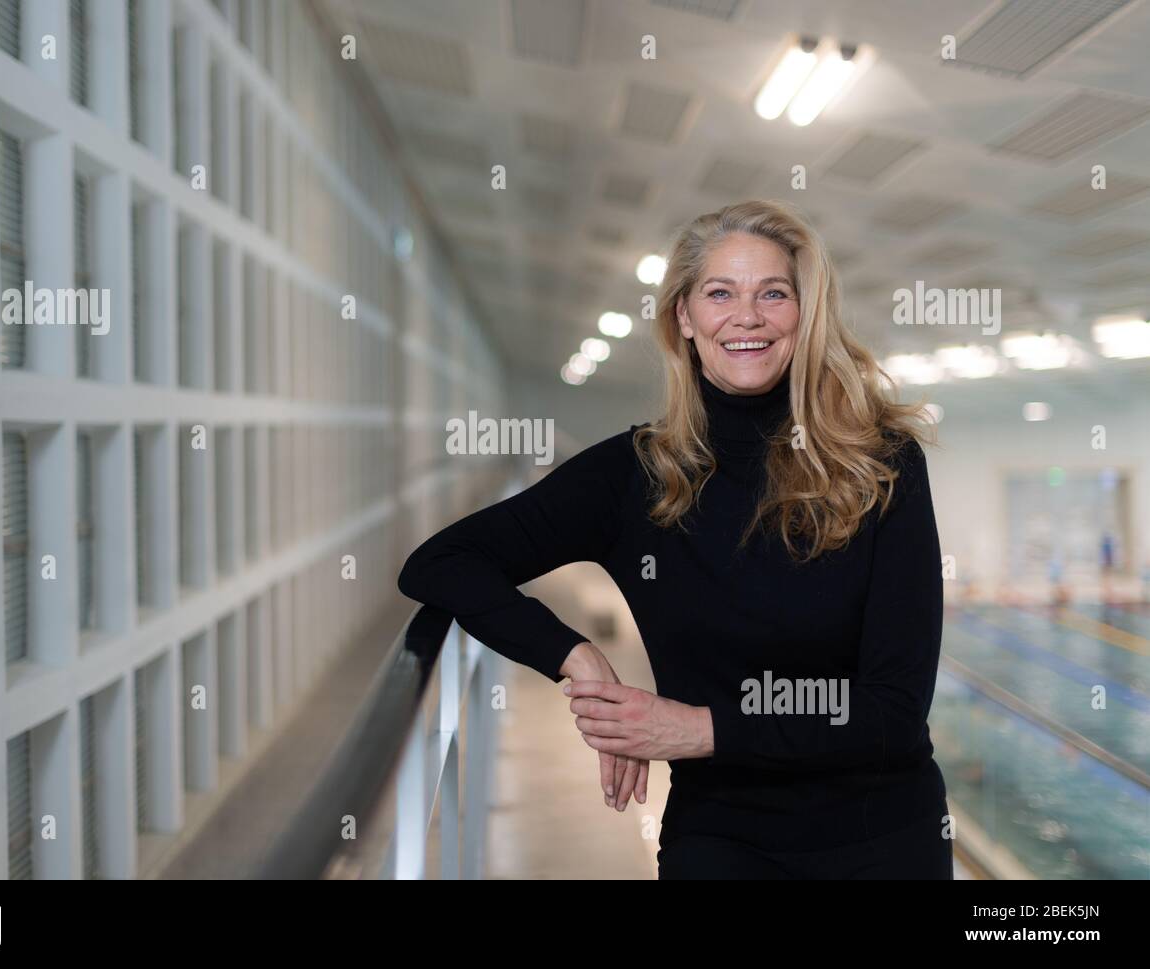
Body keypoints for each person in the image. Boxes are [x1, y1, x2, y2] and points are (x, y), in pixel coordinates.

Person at [397, 199, 952, 879]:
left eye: (773, 293)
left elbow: (892, 713)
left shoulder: (882, 462)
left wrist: (693, 729)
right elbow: (440, 562)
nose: (746, 316)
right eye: (720, 293)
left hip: (882, 837)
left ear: (804, 315)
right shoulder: (636, 473)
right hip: (721, 838)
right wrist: (575, 656)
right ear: (683, 317)